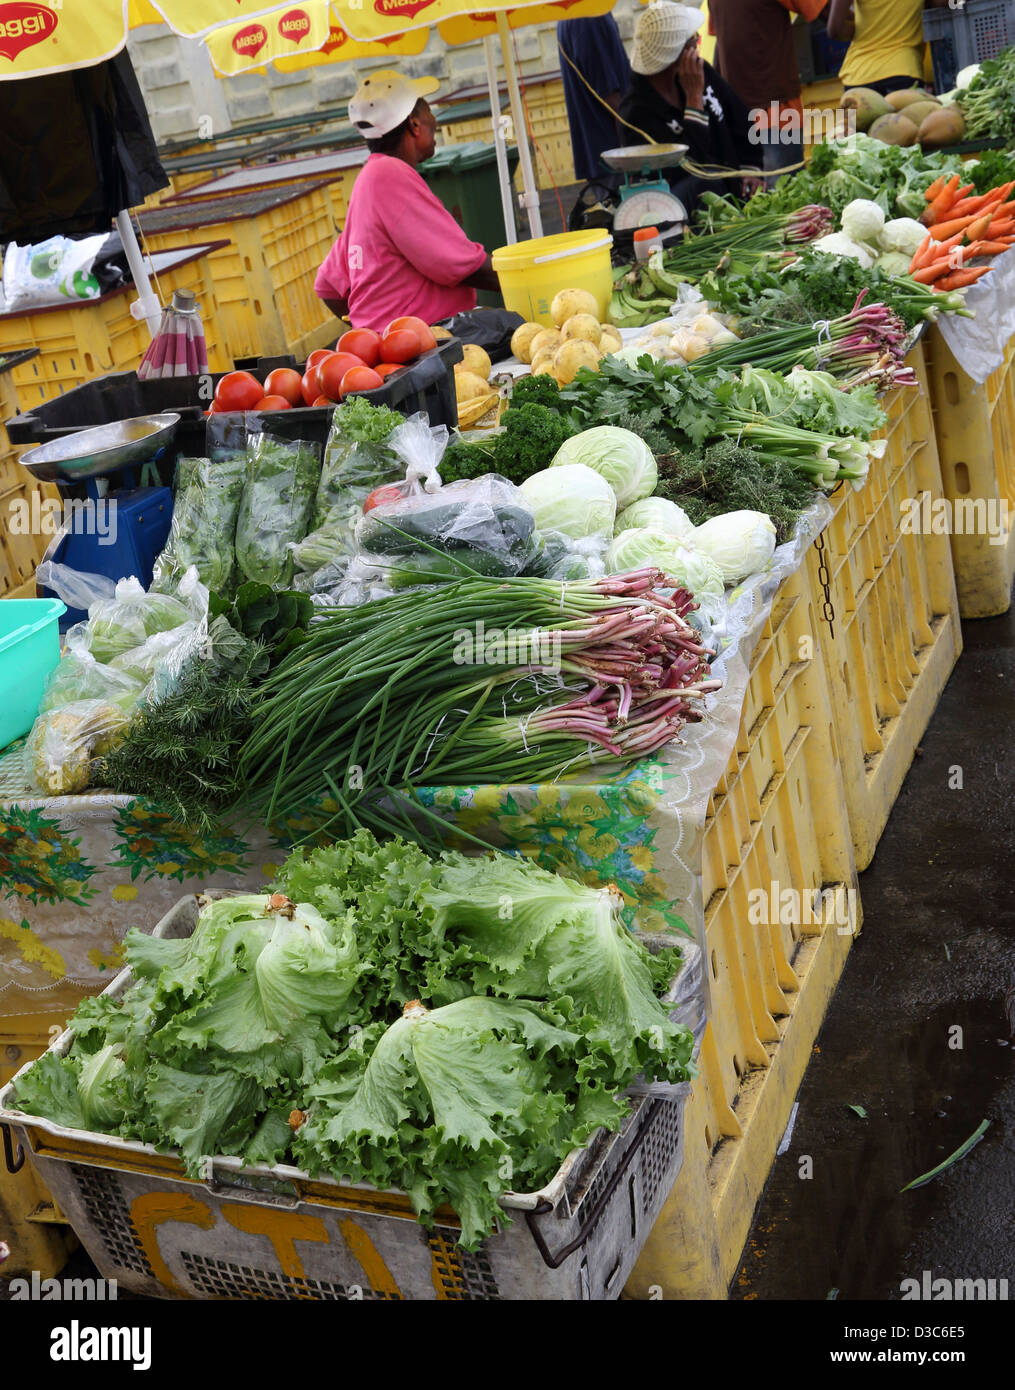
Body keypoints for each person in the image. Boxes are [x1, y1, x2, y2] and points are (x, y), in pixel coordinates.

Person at [314, 71, 500, 334]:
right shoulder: (390, 175)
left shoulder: (369, 179)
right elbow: (457, 265)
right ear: (414, 125)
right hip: (424, 343)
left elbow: (328, 285)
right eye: (429, 113)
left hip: (401, 345)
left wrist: (368, 329)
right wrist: (525, 274)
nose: (434, 121)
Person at [620, 1, 762, 214]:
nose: (697, 42)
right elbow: (691, 167)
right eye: (693, 39)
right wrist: (694, 100)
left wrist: (751, 169)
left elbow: (741, 119)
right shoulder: (636, 114)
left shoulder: (701, 71)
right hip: (692, 222)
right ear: (677, 54)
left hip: (735, 202)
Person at [708, 0, 827, 180]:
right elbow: (722, 39)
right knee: (770, 197)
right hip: (745, 116)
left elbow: (824, 11)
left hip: (774, 111)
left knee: (783, 195)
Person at [557, 15, 632, 181]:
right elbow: (610, 96)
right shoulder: (588, 17)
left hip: (605, 157)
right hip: (617, 159)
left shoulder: (578, 14)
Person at [827, 0, 952, 95]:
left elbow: (835, 30)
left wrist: (864, 32)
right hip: (902, 72)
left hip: (856, 79)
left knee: (858, 130)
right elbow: (941, 3)